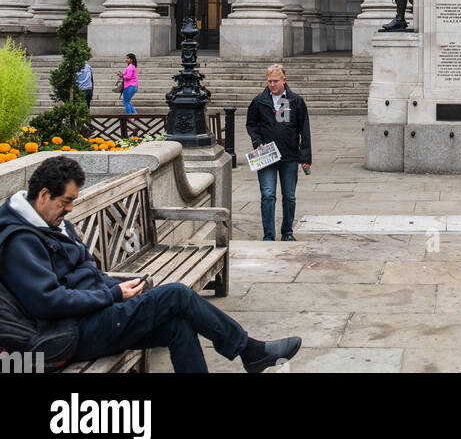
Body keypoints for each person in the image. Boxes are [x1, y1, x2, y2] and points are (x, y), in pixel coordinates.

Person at [0, 157, 300, 374]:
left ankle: (250, 354)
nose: (69, 210)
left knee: (178, 325)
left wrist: (116, 289)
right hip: (71, 333)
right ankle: (250, 351)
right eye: (65, 201)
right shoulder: (20, 241)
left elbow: (85, 274)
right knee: (176, 295)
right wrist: (114, 295)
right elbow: (47, 302)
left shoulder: (51, 223)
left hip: (95, 315)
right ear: (42, 196)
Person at [245, 65, 312, 243]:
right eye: (269, 82)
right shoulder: (259, 101)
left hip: (289, 155)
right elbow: (251, 124)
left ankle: (287, 231)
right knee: (268, 195)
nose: (272, 85)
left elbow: (304, 129)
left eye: (276, 81)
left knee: (289, 196)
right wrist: (257, 141)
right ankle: (269, 235)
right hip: (267, 156)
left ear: (284, 80)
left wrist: (305, 157)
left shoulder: (295, 101)